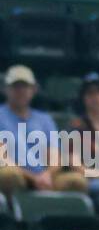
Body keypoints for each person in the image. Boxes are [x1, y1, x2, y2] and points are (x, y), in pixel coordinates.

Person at [0, 65, 85, 194]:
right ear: (6, 90)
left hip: (45, 177)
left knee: (76, 180)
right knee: (9, 175)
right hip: (17, 175)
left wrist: (46, 175)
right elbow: (3, 158)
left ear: (34, 90)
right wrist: (33, 178)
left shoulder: (45, 119)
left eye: (25, 86)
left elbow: (56, 157)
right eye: (15, 87)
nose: (20, 91)